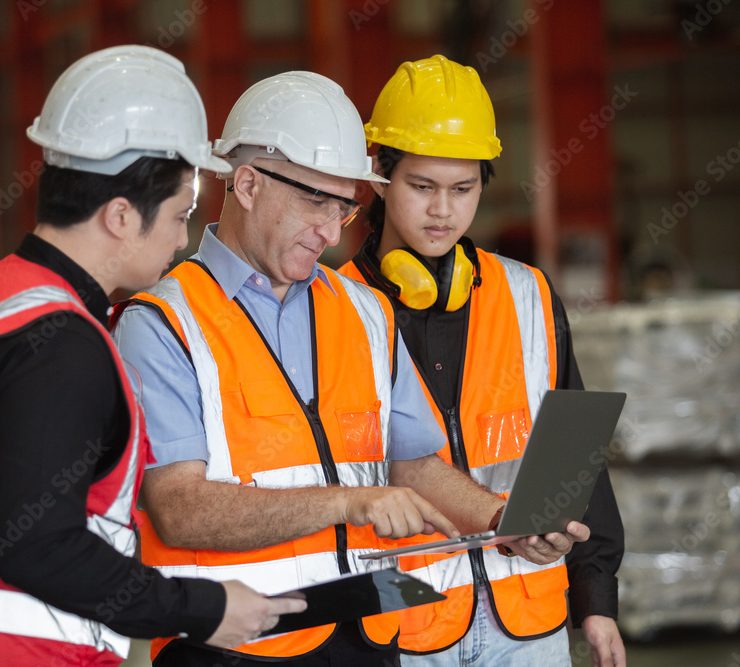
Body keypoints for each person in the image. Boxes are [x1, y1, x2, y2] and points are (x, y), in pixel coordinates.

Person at [110, 70, 590, 667]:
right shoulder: (162, 323)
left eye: (342, 206)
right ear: (249, 184)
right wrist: (348, 502)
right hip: (237, 642)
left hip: (367, 633)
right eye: (315, 200)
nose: (329, 228)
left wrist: (502, 520)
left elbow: (412, 462)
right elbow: (178, 507)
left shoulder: (363, 311)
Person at [0, 46, 306, 667]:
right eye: (179, 216)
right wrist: (201, 609)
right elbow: (40, 547)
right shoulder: (59, 343)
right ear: (121, 216)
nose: (182, 240)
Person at [338, 55, 627, 666]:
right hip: (404, 622)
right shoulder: (336, 306)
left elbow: (576, 447)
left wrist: (597, 596)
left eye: (463, 189)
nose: (443, 210)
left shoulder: (527, 295)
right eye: (422, 187)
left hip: (527, 618)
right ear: (380, 179)